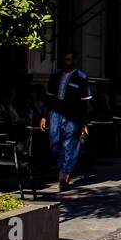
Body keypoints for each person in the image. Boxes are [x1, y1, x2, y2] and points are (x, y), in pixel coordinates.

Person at [41, 51, 92, 192]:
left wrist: (84, 123)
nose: (66, 62)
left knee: (69, 145)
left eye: (69, 60)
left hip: (73, 116)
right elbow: (49, 97)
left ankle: (65, 175)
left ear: (74, 61)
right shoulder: (56, 75)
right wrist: (45, 116)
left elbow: (85, 103)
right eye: (64, 60)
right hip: (56, 114)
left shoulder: (81, 77)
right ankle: (62, 165)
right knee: (54, 142)